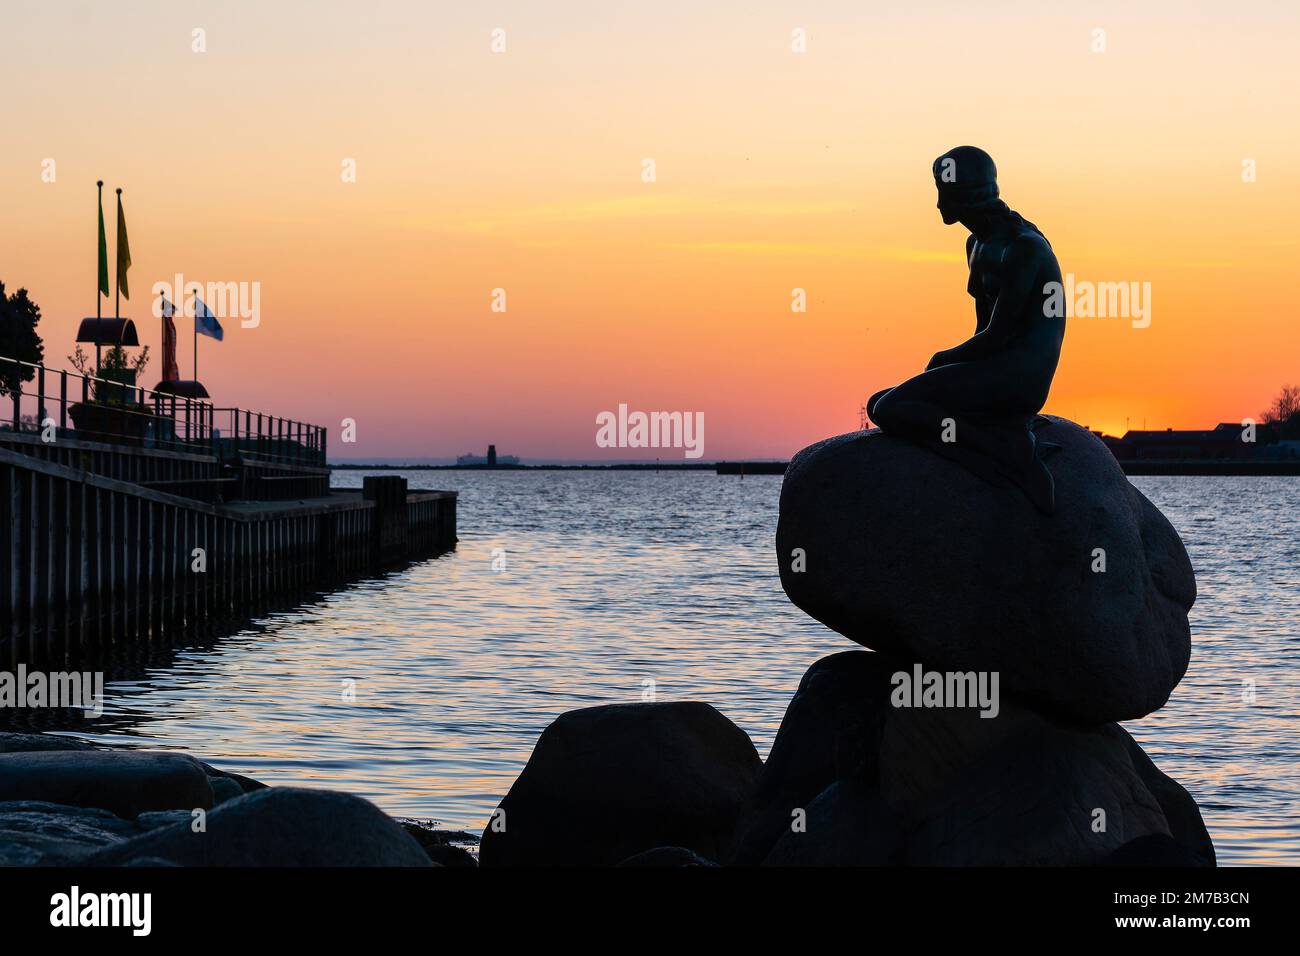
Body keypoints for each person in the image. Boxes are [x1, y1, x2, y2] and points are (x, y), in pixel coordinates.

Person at [867, 146, 1065, 513]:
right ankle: (996, 436)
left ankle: (1010, 451)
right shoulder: (975, 243)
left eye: (944, 191)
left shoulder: (1024, 248)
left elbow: (1001, 334)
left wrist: (944, 359)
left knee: (893, 409)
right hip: (991, 368)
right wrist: (956, 368)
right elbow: (982, 327)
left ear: (967, 193)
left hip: (1020, 377)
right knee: (880, 402)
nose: (939, 202)